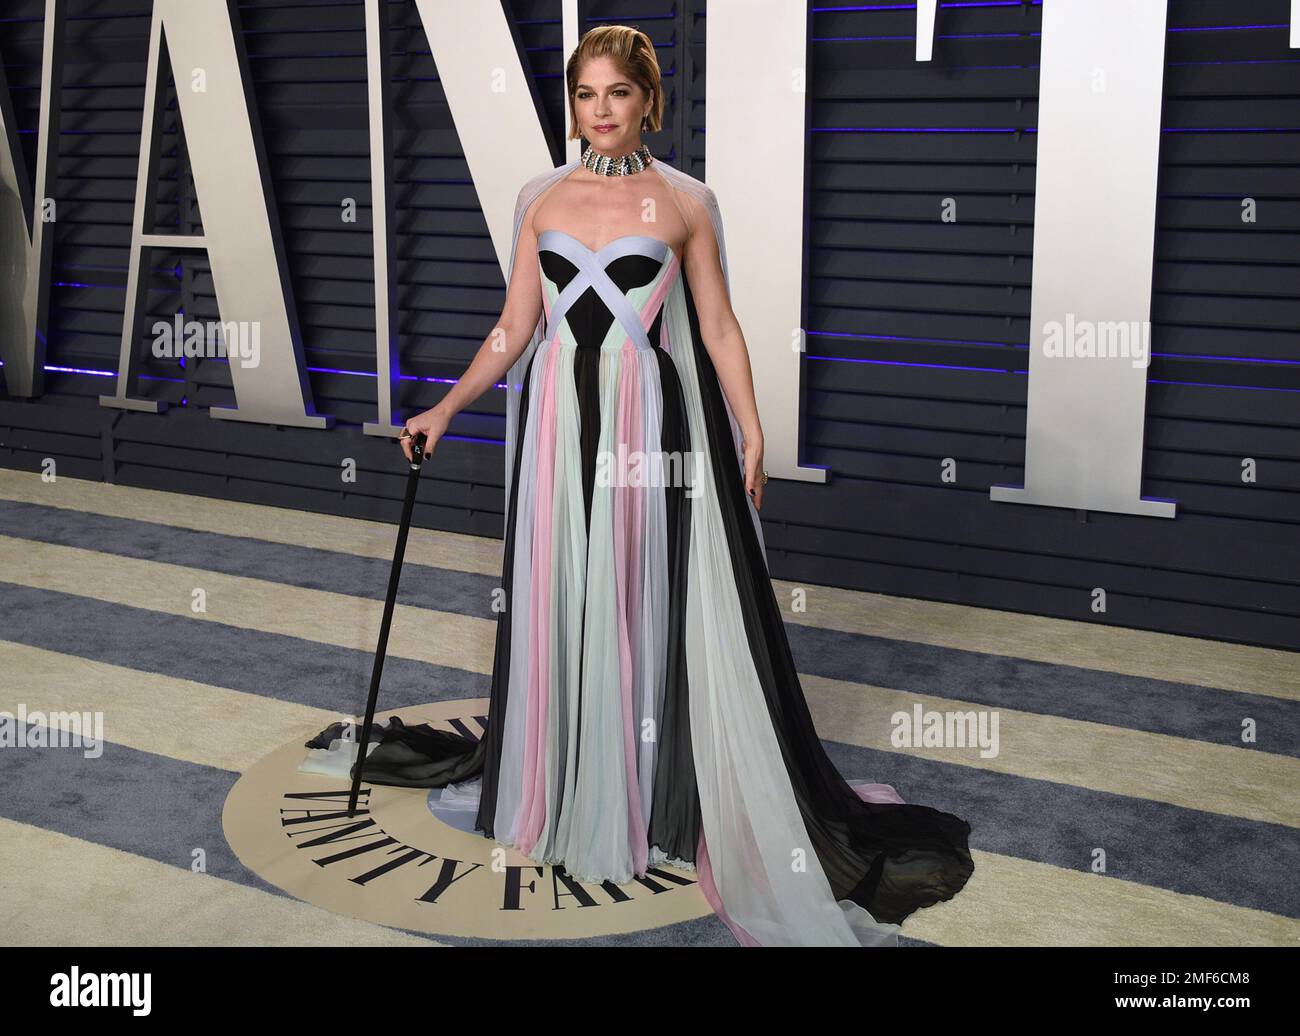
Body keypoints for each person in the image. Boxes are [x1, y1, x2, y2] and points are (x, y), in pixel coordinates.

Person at [306, 24, 973, 947]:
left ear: (649, 101)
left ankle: (645, 801)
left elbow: (722, 327)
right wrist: (445, 409)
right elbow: (513, 330)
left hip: (645, 427)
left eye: (618, 94)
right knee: (560, 598)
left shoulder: (688, 201)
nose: (600, 112)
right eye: (585, 95)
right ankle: (561, 785)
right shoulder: (537, 197)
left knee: (634, 602)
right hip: (554, 425)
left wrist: (750, 425)